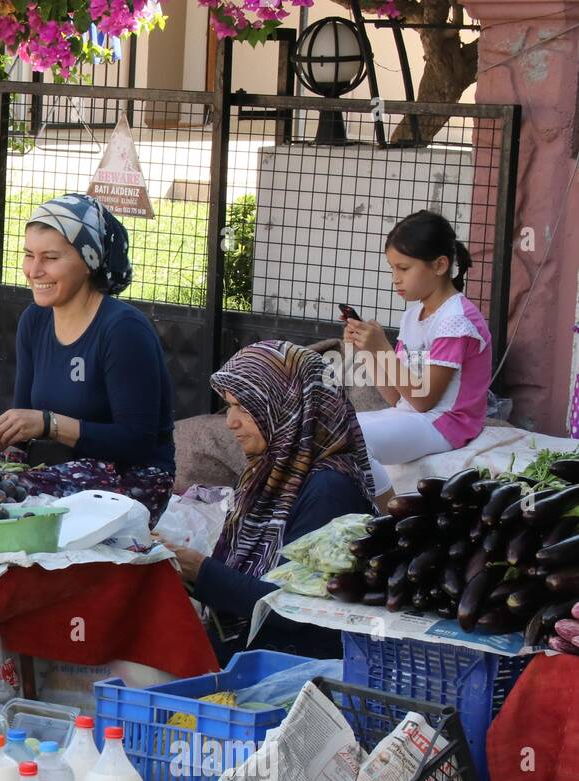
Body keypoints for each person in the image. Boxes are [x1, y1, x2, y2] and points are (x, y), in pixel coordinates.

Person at [163, 341, 376, 660]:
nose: (230, 421)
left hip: (293, 665)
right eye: (229, 406)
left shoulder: (329, 489)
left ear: (288, 410)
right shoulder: (270, 472)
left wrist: (200, 571)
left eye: (245, 408)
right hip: (253, 650)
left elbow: (292, 609)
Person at [0, 193, 175, 515]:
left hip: (134, 479)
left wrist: (49, 424)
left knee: (14, 499)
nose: (33, 270)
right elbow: (27, 419)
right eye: (29, 255)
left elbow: (137, 442)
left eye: (51, 258)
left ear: (88, 261)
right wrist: (1, 433)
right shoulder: (34, 320)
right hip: (57, 467)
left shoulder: (123, 330)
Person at [343, 210, 491, 497]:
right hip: (411, 416)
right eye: (392, 268)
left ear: (439, 265)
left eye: (404, 268)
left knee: (350, 441)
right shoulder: (413, 315)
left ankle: (385, 515)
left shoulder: (456, 320)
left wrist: (383, 349)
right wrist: (367, 351)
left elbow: (423, 400)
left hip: (446, 424)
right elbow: (397, 397)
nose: (395, 279)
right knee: (328, 430)